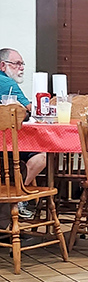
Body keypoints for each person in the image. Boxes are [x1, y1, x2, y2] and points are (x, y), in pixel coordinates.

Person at [0, 48, 46, 188]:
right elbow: (30, 109)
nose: (21, 68)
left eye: (22, 64)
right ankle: (18, 194)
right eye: (17, 63)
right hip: (5, 144)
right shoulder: (7, 83)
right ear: (3, 65)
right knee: (42, 155)